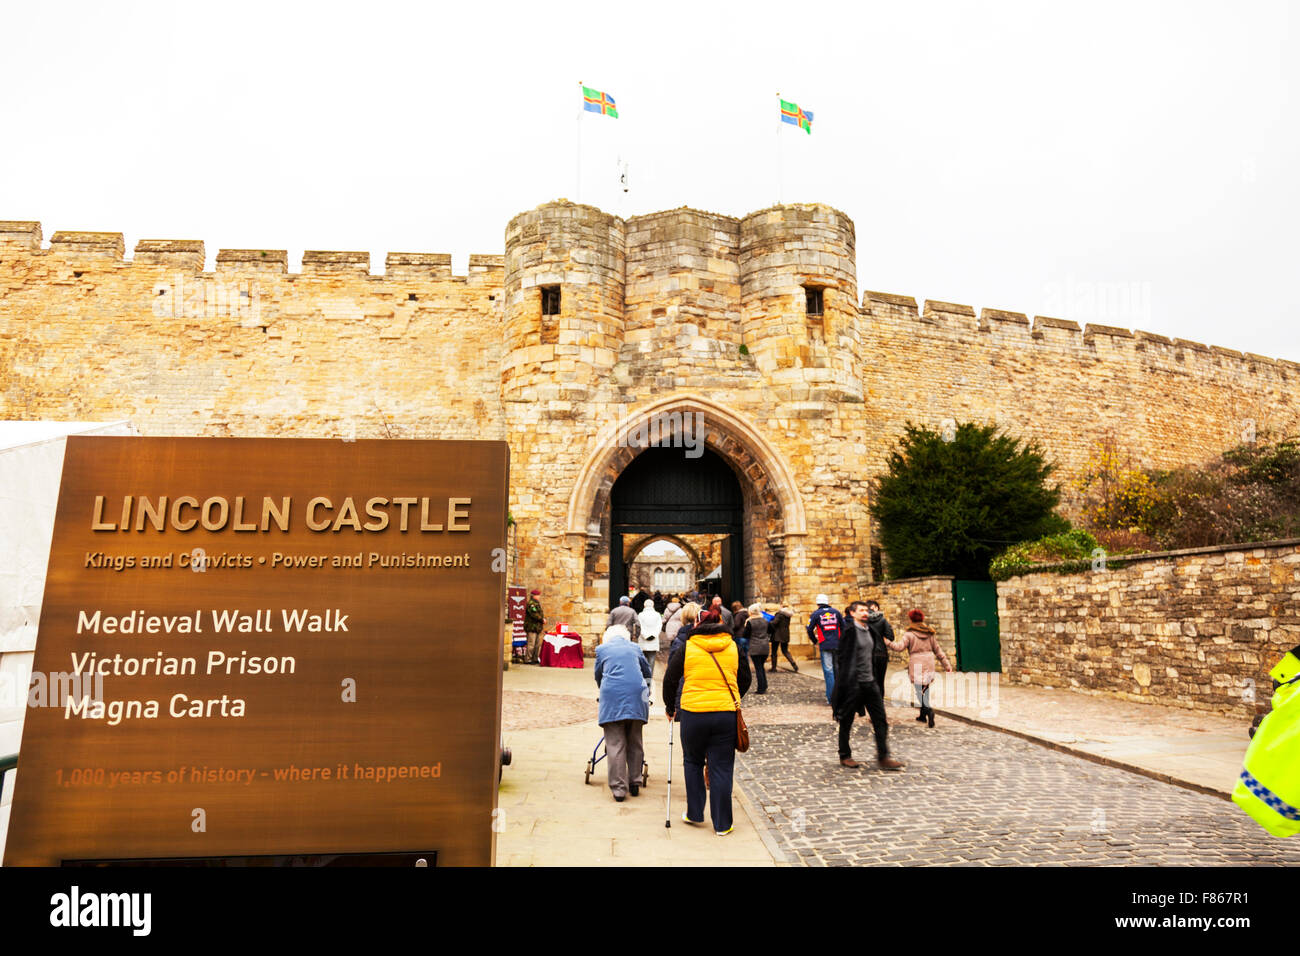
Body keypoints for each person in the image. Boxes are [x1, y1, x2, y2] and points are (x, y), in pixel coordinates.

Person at [662, 609, 752, 835]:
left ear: (697, 626)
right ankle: (722, 824)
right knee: (721, 768)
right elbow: (746, 678)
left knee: (692, 762)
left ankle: (694, 813)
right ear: (721, 623)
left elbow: (670, 679)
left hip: (694, 713)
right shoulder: (733, 646)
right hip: (724, 714)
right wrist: (732, 695)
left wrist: (670, 706)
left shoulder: (688, 647)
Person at [833, 602, 904, 771]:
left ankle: (883, 756)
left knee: (880, 719)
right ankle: (845, 755)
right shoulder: (849, 632)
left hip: (870, 682)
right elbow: (842, 658)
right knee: (846, 720)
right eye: (861, 610)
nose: (865, 613)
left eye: (866, 610)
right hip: (853, 684)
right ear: (852, 613)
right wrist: (845, 682)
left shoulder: (871, 631)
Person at [594, 624, 653, 801]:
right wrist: (646, 691)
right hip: (637, 697)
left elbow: (598, 675)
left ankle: (619, 789)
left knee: (615, 744)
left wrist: (603, 689)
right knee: (635, 739)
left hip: (612, 698)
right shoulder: (635, 648)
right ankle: (635, 781)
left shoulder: (602, 649)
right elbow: (646, 672)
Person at [885, 608, 953, 727]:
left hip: (916, 662)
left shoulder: (909, 634)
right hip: (929, 661)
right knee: (925, 688)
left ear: (911, 619)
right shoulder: (930, 633)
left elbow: (899, 647)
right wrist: (947, 665)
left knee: (918, 690)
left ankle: (928, 711)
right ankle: (922, 716)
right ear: (922, 619)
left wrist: (887, 642)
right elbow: (938, 650)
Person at [807, 595, 845, 707]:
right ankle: (840, 697)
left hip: (825, 645)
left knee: (829, 672)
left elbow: (809, 629)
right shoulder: (836, 612)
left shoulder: (815, 614)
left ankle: (831, 698)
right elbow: (844, 627)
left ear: (818, 603)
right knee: (838, 670)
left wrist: (815, 641)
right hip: (838, 644)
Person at [863, 600, 894, 699]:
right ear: (874, 607)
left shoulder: (863, 621)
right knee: (880, 681)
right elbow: (891, 637)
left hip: (867, 654)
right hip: (881, 654)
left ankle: (871, 702)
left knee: (869, 679)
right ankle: (879, 702)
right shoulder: (883, 620)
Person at [741, 603, 770, 694]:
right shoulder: (765, 621)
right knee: (761, 666)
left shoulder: (750, 622)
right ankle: (764, 685)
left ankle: (761, 688)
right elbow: (771, 630)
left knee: (758, 668)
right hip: (765, 646)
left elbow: (745, 635)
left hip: (755, 647)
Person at [768, 604, 797, 673]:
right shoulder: (788, 615)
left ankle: (773, 668)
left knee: (774, 652)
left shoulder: (779, 614)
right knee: (785, 651)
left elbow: (774, 623)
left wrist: (768, 622)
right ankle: (794, 664)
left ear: (781, 606)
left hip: (777, 635)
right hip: (785, 634)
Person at [637, 600, 663, 672]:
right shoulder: (657, 615)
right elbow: (659, 626)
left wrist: (645, 635)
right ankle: (649, 679)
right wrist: (654, 635)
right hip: (654, 641)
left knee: (642, 661)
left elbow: (640, 627)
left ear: (644, 606)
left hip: (643, 640)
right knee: (651, 660)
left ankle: (644, 676)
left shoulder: (641, 615)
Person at [524, 589, 545, 664]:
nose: (539, 596)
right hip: (531, 627)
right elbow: (534, 614)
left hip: (537, 627)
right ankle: (528, 659)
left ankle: (535, 658)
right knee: (531, 644)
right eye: (538, 595)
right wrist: (542, 619)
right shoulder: (531, 604)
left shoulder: (537, 603)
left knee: (537, 645)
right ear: (534, 596)